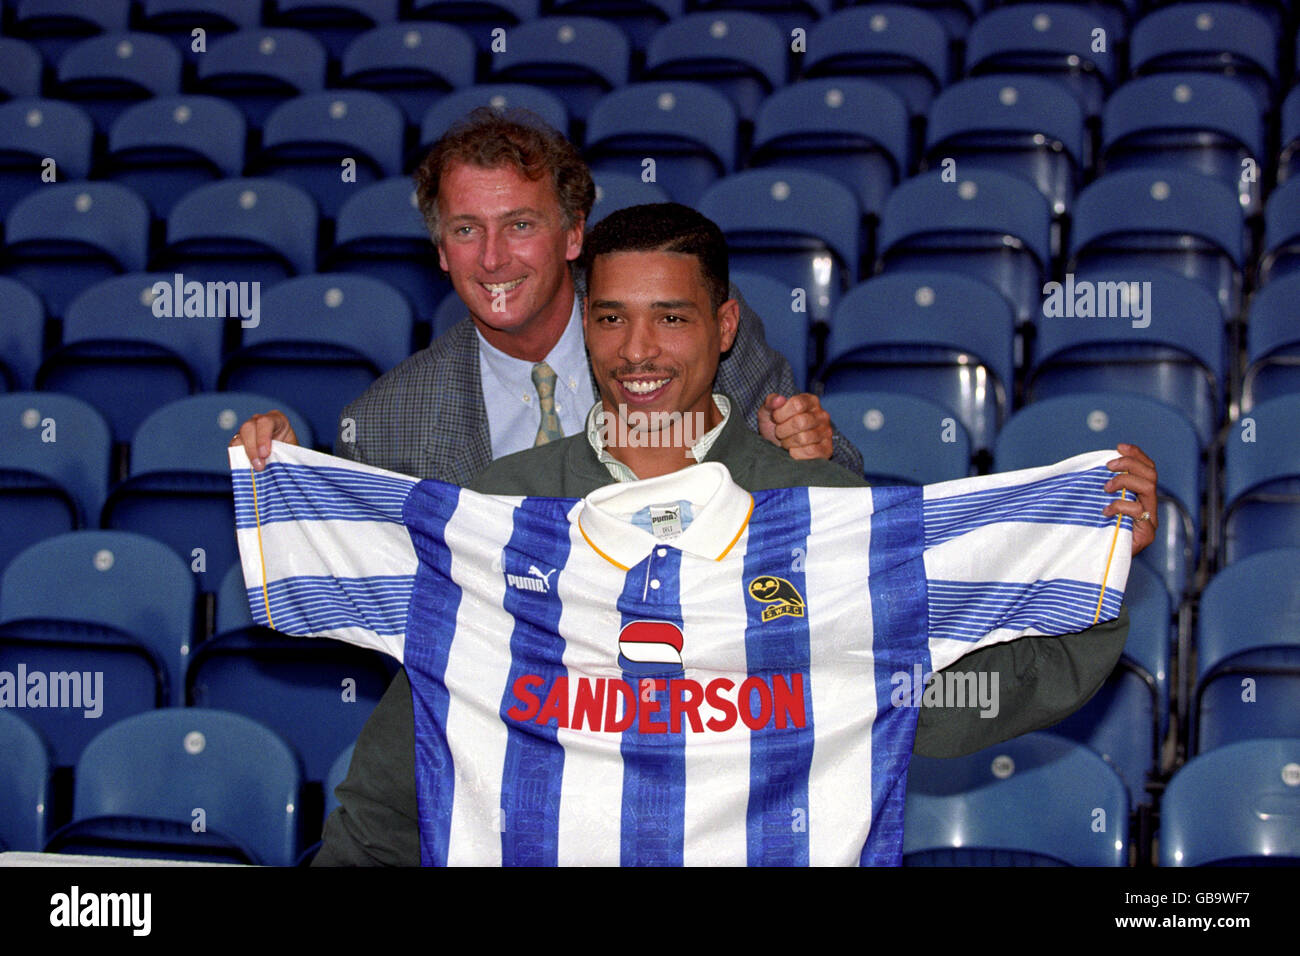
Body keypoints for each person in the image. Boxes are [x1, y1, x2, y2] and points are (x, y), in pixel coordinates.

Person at [309, 203, 1160, 865]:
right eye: (609, 319)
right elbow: (416, 743)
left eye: (670, 319)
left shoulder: (816, 503)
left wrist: (1099, 565)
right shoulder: (506, 504)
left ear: (723, 329)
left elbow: (936, 707)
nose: (637, 351)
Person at [231, 107, 863, 482]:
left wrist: (811, 446)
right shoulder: (383, 425)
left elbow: (834, 486)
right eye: (466, 230)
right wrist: (292, 481)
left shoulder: (685, 336)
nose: (493, 257)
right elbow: (376, 607)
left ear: (573, 233)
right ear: (442, 251)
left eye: (521, 225)